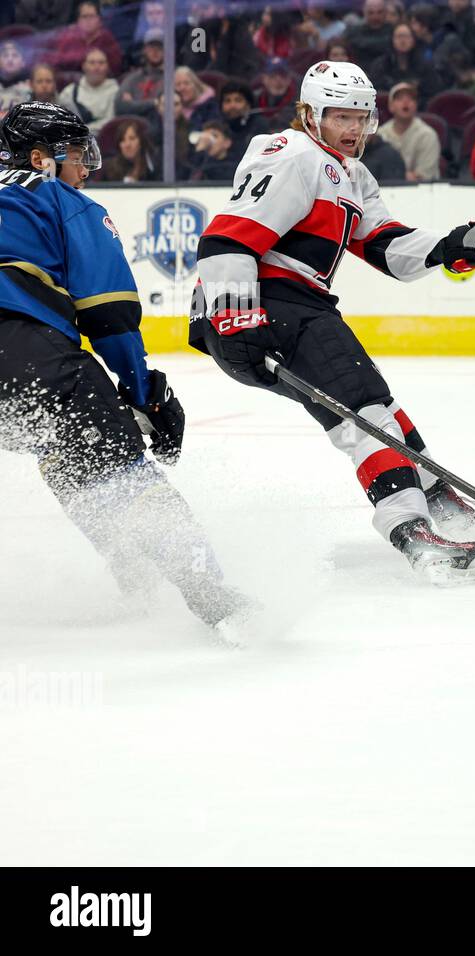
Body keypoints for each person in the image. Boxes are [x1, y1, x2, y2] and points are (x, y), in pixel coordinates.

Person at [192, 61, 475, 584]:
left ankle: (432, 489)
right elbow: (225, 241)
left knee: (378, 404)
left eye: (362, 118)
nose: (353, 129)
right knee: (364, 409)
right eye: (341, 116)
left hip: (295, 306)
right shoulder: (293, 154)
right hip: (270, 304)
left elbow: (387, 247)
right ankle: (412, 529)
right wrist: (235, 319)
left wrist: (455, 246)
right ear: (309, 114)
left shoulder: (351, 173)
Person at [0, 102, 247, 628]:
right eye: (75, 156)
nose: (85, 168)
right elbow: (108, 316)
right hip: (25, 355)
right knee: (116, 467)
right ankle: (214, 598)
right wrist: (144, 394)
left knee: (60, 447)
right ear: (40, 158)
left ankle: (134, 571)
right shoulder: (57, 198)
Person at [377, 81, 442, 182]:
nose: (406, 102)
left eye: (411, 99)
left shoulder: (428, 135)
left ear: (416, 105)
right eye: (399, 99)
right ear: (391, 106)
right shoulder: (381, 134)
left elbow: (425, 177)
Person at [57, 48, 118, 134]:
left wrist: (83, 130)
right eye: (92, 63)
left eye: (101, 63)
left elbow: (111, 121)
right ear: (84, 66)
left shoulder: (115, 90)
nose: (97, 67)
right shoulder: (70, 92)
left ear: (107, 66)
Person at [101, 115, 158, 181]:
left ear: (142, 141)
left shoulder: (153, 167)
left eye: (132, 138)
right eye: (122, 140)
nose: (127, 145)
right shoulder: (110, 169)